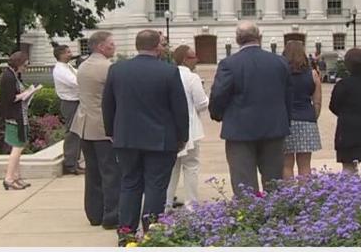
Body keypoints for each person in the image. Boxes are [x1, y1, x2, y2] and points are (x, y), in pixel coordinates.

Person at [103, 30, 188, 234]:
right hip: (160, 139)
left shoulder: (117, 70)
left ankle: (126, 231)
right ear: (157, 46)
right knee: (156, 186)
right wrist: (182, 136)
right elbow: (180, 108)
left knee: (129, 184)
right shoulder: (169, 71)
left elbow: (107, 104)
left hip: (126, 138)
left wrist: (111, 131)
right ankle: (151, 231)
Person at [209, 21, 291, 196]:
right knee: (274, 183)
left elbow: (218, 95)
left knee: (244, 185)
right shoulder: (280, 62)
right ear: (259, 37)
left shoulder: (229, 64)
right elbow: (288, 95)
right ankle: (277, 219)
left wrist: (217, 115)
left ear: (238, 40)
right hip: (274, 128)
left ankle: (249, 219)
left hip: (240, 129)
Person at [71, 31, 120, 228]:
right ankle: (111, 215)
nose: (114, 46)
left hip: (84, 125)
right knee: (110, 172)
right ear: (101, 46)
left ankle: (94, 213)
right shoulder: (107, 68)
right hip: (102, 126)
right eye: (111, 44)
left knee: (93, 172)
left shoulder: (83, 66)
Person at [166, 45, 209, 208]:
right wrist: (206, 97)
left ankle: (167, 202)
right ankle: (191, 203)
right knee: (191, 166)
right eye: (193, 57)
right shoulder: (192, 77)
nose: (196, 60)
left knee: (172, 168)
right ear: (185, 59)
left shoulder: (168, 74)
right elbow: (201, 103)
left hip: (172, 128)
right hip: (191, 128)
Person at [0, 51, 41, 190]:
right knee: (17, 147)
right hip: (14, 117)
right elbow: (10, 98)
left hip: (19, 115)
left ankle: (16, 177)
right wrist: (26, 93)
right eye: (25, 65)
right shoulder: (9, 77)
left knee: (18, 146)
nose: (26, 68)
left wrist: (28, 93)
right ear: (18, 63)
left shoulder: (13, 76)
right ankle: (9, 178)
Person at [282, 40, 323, 178]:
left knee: (286, 164)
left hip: (285, 121)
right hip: (306, 119)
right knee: (305, 165)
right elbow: (317, 101)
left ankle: (288, 195)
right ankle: (305, 196)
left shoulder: (281, 73)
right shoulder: (313, 74)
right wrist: (313, 117)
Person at [52, 44, 83, 175]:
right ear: (61, 55)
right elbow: (76, 82)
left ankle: (75, 161)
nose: (71, 54)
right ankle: (70, 164)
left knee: (78, 132)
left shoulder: (68, 67)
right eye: (68, 52)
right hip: (69, 103)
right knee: (72, 132)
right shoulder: (60, 70)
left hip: (76, 101)